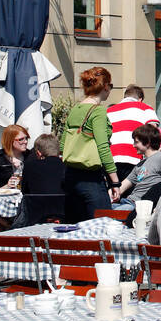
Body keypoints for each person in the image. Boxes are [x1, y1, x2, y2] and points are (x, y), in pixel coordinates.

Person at [60, 67, 120, 221]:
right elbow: (103, 147)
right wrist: (115, 181)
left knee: (75, 230)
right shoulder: (98, 111)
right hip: (91, 179)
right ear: (105, 86)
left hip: (70, 178)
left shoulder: (75, 109)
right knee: (103, 226)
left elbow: (62, 145)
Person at [106, 85, 161, 182]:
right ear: (140, 99)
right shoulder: (145, 108)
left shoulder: (109, 111)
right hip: (134, 157)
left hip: (111, 158)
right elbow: (152, 131)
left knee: (113, 193)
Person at [18, 134, 66, 225]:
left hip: (34, 218)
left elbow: (24, 191)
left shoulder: (30, 166)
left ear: (39, 153)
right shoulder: (67, 167)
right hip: (64, 217)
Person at [117, 123, 161, 204]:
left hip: (141, 205)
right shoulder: (140, 165)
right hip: (128, 201)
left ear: (147, 142)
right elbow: (122, 186)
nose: (133, 145)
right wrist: (111, 193)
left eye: (136, 142)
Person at [0, 124, 30, 191]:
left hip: (27, 198)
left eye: (26, 138)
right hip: (4, 198)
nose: (26, 142)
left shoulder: (31, 156)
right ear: (10, 140)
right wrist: (7, 186)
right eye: (21, 139)